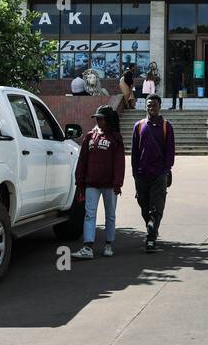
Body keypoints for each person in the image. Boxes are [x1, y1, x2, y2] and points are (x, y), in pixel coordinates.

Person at [73, 105, 125, 259]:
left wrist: (118, 183)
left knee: (110, 214)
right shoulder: (90, 136)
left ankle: (109, 244)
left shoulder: (115, 138)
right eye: (96, 118)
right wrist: (80, 182)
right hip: (91, 184)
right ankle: (87, 247)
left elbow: (119, 162)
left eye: (100, 118)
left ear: (108, 120)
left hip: (110, 185)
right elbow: (82, 161)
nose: (97, 120)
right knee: (89, 214)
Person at [131, 94, 175, 252]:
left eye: (154, 105)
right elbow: (135, 152)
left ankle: (150, 239)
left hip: (159, 174)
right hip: (141, 174)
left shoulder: (166, 126)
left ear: (160, 106)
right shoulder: (138, 126)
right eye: (149, 105)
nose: (151, 108)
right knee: (143, 205)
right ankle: (152, 229)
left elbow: (170, 151)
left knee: (156, 207)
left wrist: (166, 170)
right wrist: (135, 173)